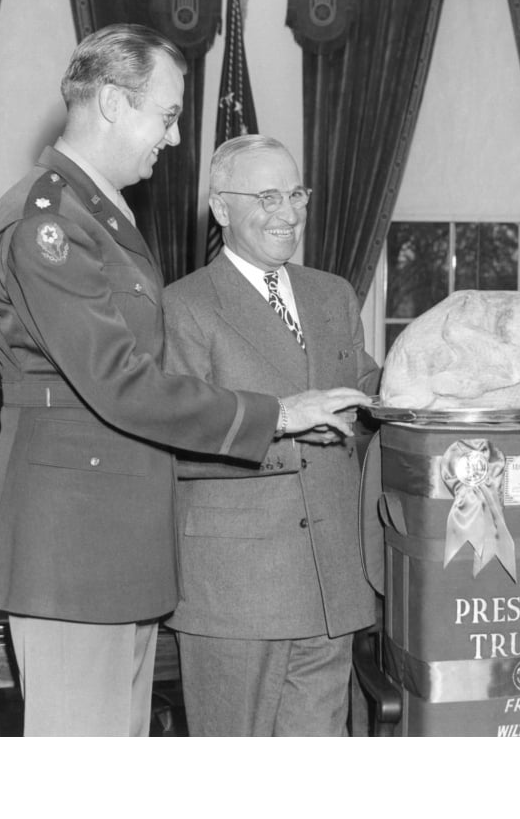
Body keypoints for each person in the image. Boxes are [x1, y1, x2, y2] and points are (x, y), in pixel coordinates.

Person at [0, 25, 369, 736]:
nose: (175, 139)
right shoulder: (50, 221)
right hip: (73, 546)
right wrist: (277, 413)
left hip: (118, 542)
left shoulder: (101, 217)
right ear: (116, 104)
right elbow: (122, 381)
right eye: (169, 114)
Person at [161, 134, 381, 736]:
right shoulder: (181, 307)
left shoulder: (332, 294)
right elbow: (171, 445)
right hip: (236, 593)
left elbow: (373, 392)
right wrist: (283, 427)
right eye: (266, 196)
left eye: (295, 194)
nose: (288, 214)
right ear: (221, 207)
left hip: (331, 585)